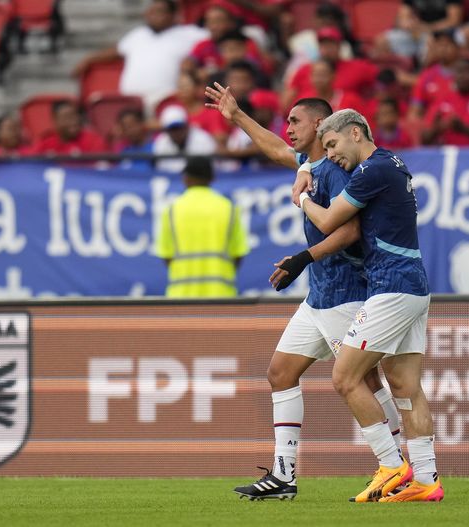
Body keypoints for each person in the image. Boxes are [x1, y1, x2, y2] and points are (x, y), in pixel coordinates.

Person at [205, 84, 403, 500]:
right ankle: (283, 476)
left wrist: (303, 257)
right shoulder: (310, 165)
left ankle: (400, 466)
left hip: (345, 292)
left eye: (295, 121)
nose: (288, 128)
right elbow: (277, 149)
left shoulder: (335, 171)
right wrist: (237, 116)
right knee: (280, 373)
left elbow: (349, 228)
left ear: (319, 124)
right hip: (319, 297)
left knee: (364, 381)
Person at [290, 108, 441, 502]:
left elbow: (328, 221)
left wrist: (303, 197)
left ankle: (391, 466)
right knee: (406, 387)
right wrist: (307, 165)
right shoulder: (393, 162)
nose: (332, 155)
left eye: (334, 145)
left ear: (355, 133)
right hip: (411, 285)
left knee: (345, 377)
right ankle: (426, 481)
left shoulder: (370, 170)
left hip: (392, 287)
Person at [71, 0, 208, 113]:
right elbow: (115, 52)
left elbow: (216, 42)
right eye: (151, 11)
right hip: (131, 101)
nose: (154, 15)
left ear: (174, 15)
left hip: (167, 100)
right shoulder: (138, 34)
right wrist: (88, 59)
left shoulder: (190, 33)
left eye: (159, 11)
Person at [155, 156, 249, 297]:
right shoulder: (228, 208)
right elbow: (238, 254)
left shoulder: (171, 210)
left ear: (186, 178)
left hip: (180, 296)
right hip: (222, 295)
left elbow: (166, 255)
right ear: (211, 178)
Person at [282, 27, 379, 110]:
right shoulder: (305, 69)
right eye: (324, 44)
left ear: (339, 46)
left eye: (331, 44)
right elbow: (286, 102)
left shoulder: (358, 67)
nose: (327, 48)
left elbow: (382, 84)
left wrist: (370, 108)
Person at [152, 105, 216, 172]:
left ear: (186, 126)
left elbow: (208, 170)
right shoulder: (161, 142)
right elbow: (161, 171)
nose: (177, 132)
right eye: (172, 129)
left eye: (179, 127)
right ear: (166, 130)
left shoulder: (203, 139)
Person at [31, 100, 109, 156]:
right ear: (55, 120)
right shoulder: (46, 143)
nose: (74, 121)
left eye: (75, 116)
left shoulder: (94, 141)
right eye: (67, 118)